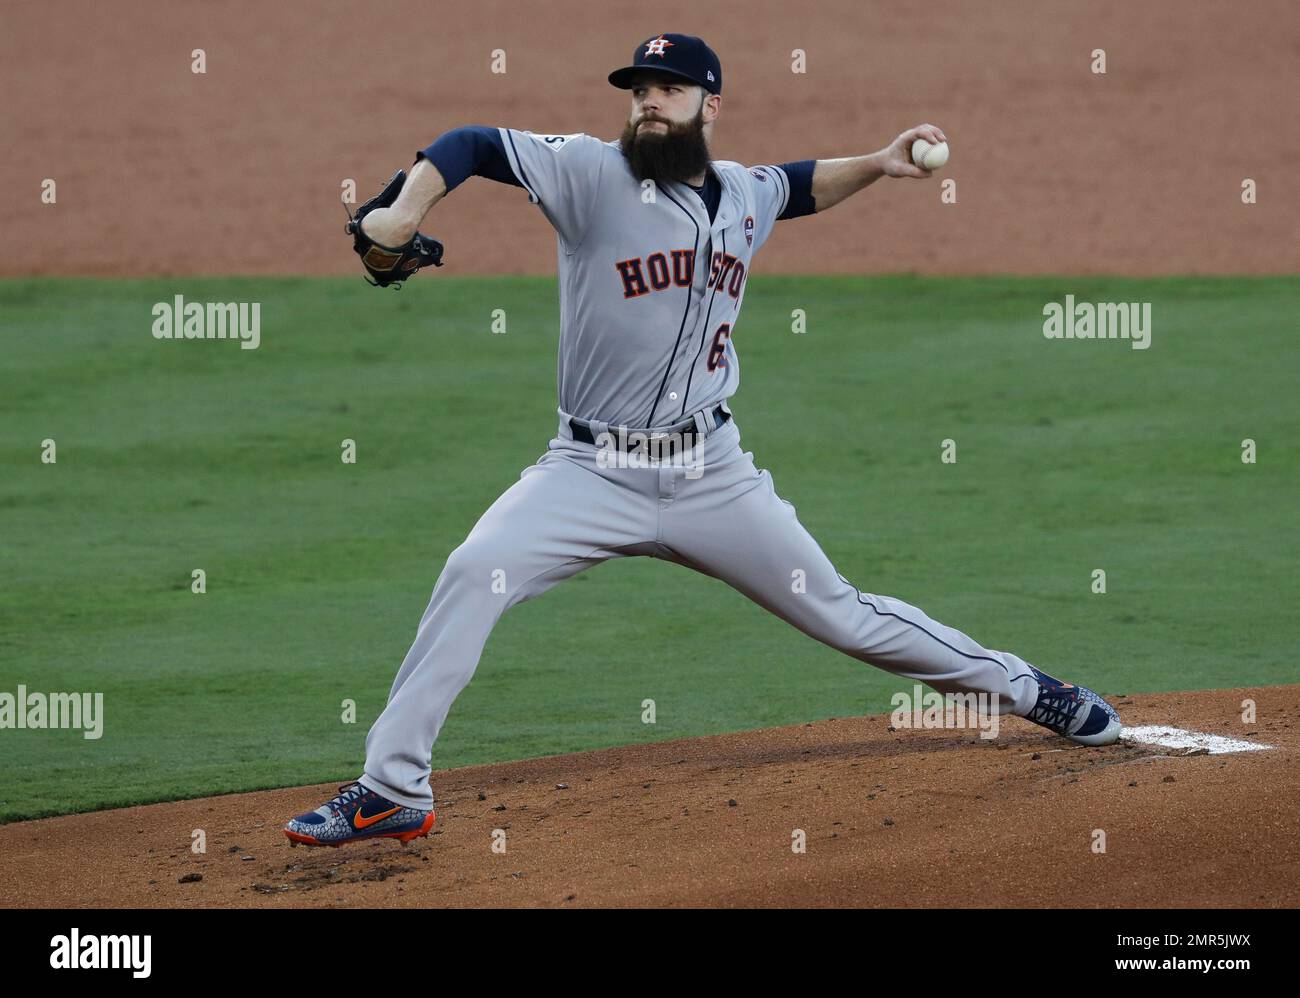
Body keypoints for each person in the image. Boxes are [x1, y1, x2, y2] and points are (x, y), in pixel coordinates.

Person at [284, 33, 1121, 848]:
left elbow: (795, 187)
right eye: (639, 90)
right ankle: (393, 789)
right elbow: (470, 144)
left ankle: (1028, 689)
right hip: (590, 471)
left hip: (711, 473)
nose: (649, 102)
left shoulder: (742, 193)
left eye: (669, 89)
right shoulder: (588, 173)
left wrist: (879, 161)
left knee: (846, 618)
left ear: (709, 104)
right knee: (474, 571)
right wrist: (403, 207)